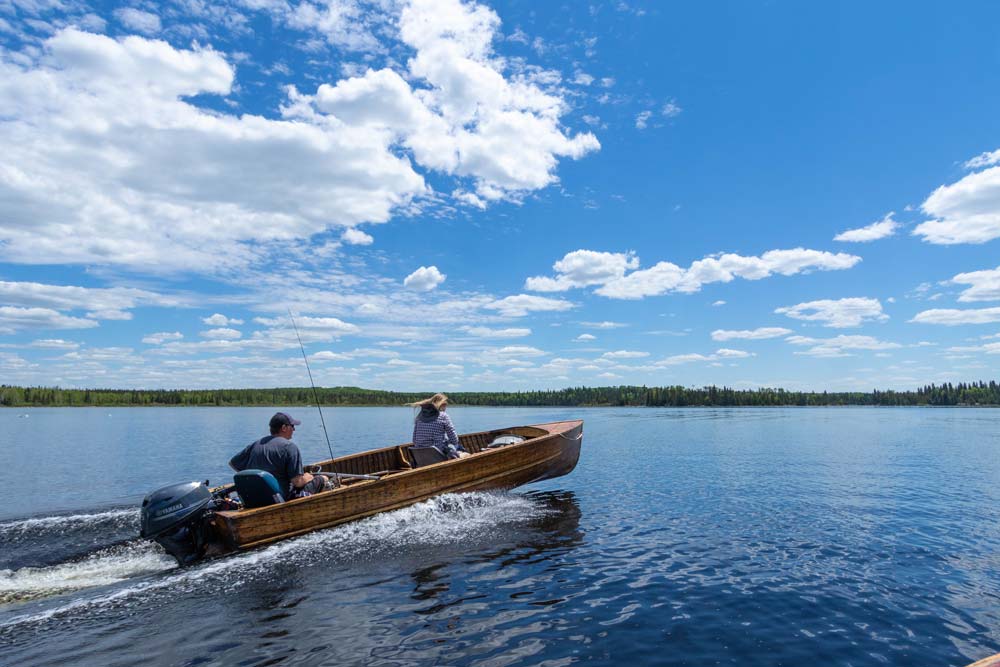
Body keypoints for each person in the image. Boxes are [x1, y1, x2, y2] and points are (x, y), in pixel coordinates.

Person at [229, 412, 328, 500]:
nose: (294, 429)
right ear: (284, 428)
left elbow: (233, 464)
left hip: (254, 498)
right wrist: (309, 477)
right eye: (292, 426)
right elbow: (297, 482)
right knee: (323, 479)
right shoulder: (290, 447)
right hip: (279, 498)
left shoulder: (257, 443)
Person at [409, 393, 470, 460]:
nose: (446, 408)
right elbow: (454, 440)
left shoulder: (419, 417)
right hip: (437, 456)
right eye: (445, 405)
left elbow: (414, 440)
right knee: (466, 454)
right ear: (442, 405)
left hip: (420, 457)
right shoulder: (443, 416)